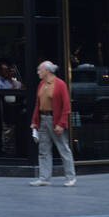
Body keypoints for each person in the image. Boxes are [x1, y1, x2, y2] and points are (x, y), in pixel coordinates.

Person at [30, 59, 76, 187]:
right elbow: (37, 104)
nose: (38, 72)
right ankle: (44, 178)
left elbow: (66, 107)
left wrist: (61, 123)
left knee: (63, 148)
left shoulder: (60, 84)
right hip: (43, 119)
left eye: (40, 70)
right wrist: (34, 121)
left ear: (47, 70)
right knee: (43, 149)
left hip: (54, 120)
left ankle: (70, 177)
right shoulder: (41, 84)